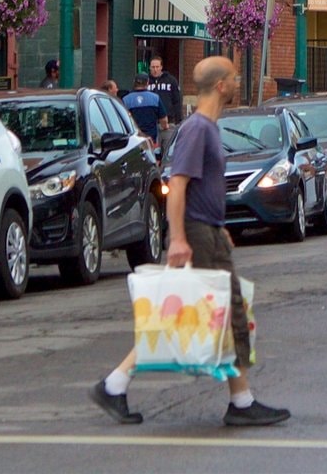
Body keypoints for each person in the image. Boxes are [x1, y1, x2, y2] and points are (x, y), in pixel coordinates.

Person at [92, 57, 287, 429]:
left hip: (206, 231)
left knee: (193, 313)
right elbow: (177, 184)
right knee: (222, 313)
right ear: (220, 86)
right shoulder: (198, 129)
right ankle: (240, 402)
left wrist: (218, 226)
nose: (237, 81)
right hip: (197, 235)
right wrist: (179, 237)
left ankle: (115, 384)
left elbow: (200, 187)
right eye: (233, 77)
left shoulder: (208, 128)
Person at [136, 57, 183, 141]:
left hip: (168, 123)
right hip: (149, 124)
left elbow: (177, 101)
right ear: (149, 67)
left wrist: (178, 120)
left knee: (167, 148)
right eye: (153, 67)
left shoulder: (171, 80)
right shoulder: (146, 81)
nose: (155, 69)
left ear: (161, 67)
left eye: (157, 67)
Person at [122, 62, 166, 141]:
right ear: (147, 83)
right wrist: (165, 127)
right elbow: (163, 120)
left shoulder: (126, 99)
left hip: (134, 139)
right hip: (151, 139)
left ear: (134, 82)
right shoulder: (155, 98)